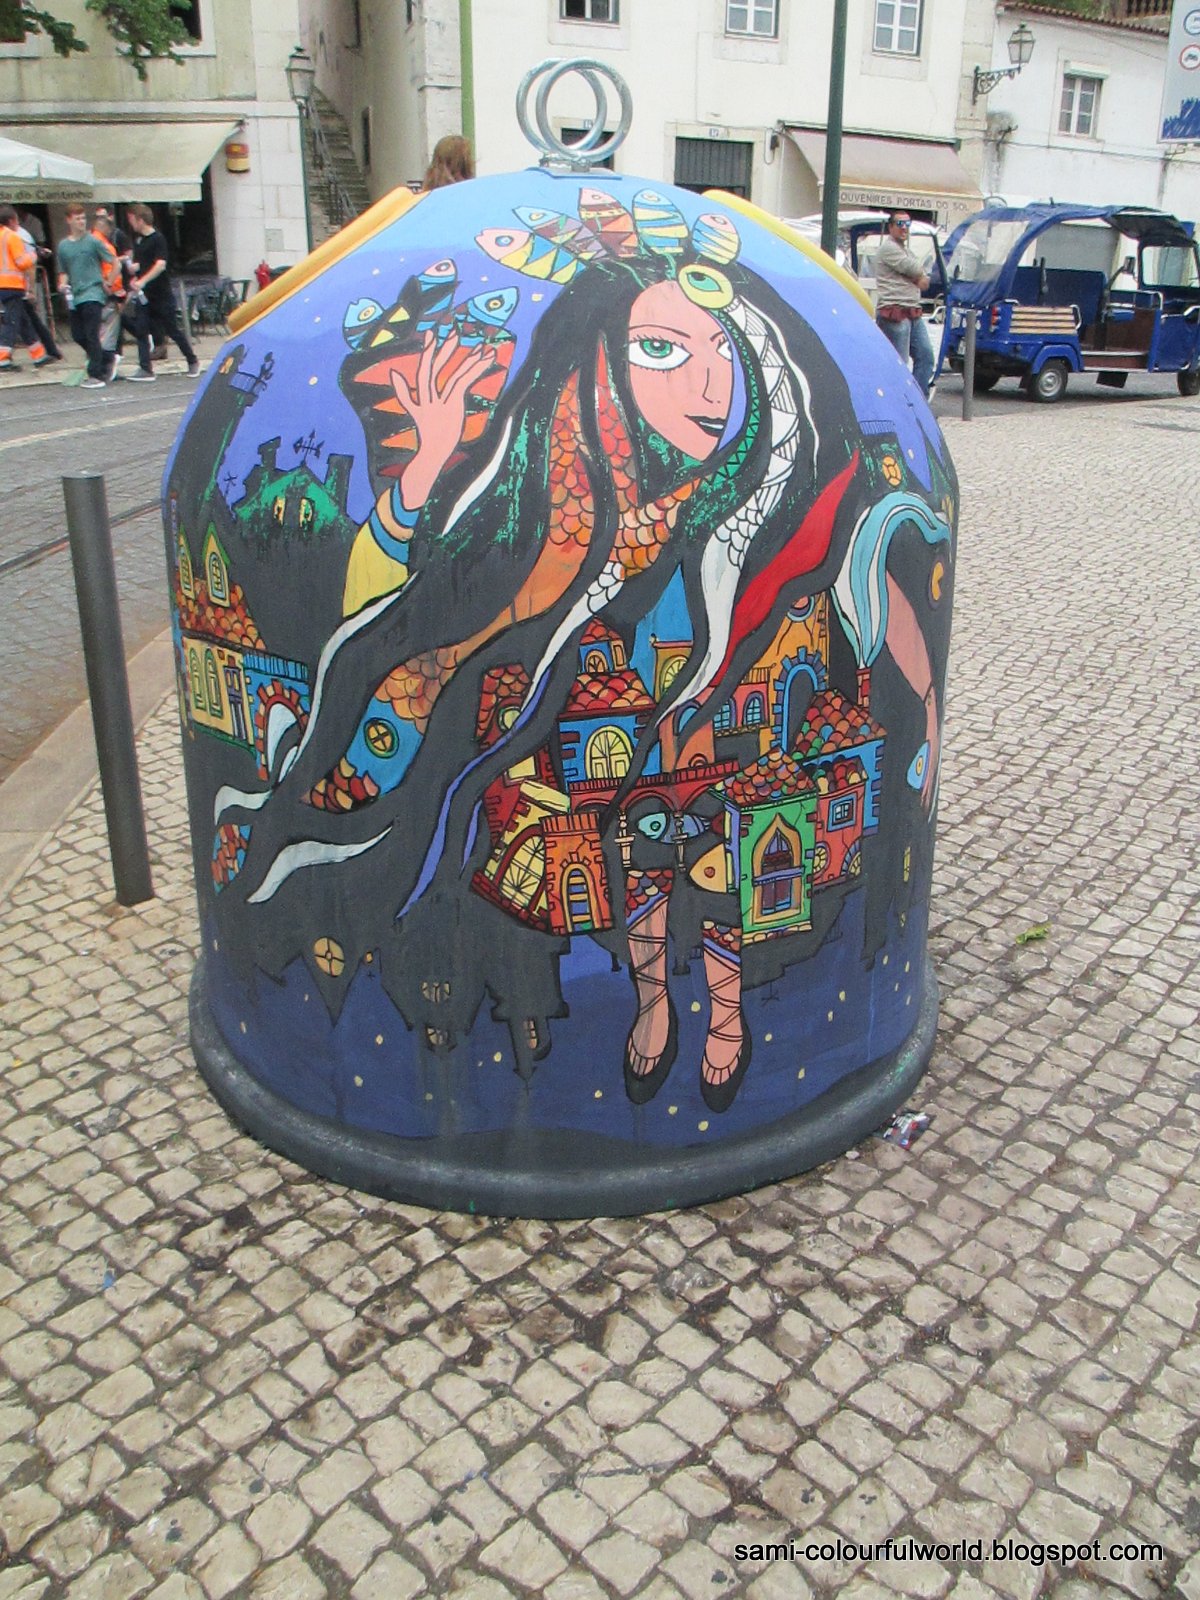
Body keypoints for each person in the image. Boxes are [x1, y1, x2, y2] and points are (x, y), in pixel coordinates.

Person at [209, 186, 950, 1111]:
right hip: (598, 760)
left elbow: (868, 566)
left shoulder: (777, 508)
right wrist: (427, 470)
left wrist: (918, 704)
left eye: (725, 354)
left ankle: (723, 1018)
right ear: (601, 367)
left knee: (721, 883)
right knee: (641, 870)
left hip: (719, 747)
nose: (706, 390)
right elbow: (402, 613)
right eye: (660, 353)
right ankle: (650, 1008)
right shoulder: (555, 517)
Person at [124, 203, 200, 378]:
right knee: (142, 329)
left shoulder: (158, 239)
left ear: (140, 220)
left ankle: (192, 359)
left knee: (172, 330)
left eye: (132, 220)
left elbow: (160, 265)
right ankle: (145, 367)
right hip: (145, 297)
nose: (131, 225)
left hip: (161, 295)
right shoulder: (139, 241)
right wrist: (135, 270)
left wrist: (142, 280)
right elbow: (144, 263)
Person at [56, 201, 118, 387]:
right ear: (69, 221)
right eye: (77, 219)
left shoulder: (93, 241)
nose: (81, 222)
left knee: (91, 333)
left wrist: (108, 281)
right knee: (78, 335)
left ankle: (96, 374)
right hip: (76, 295)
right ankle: (107, 357)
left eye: (83, 218)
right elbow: (64, 270)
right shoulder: (64, 246)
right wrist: (62, 284)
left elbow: (115, 261)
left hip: (93, 293)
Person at [875, 211, 934, 398]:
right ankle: (897, 402)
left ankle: (917, 401)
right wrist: (917, 275)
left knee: (925, 356)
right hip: (894, 312)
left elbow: (923, 280)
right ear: (890, 226)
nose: (904, 228)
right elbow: (915, 269)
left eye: (908, 224)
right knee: (899, 365)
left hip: (912, 311)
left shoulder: (907, 251)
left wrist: (917, 275)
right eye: (899, 223)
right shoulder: (888, 248)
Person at [0, 206, 50, 371]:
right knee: (12, 322)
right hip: (12, 284)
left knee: (22, 321)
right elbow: (21, 262)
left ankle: (39, 355)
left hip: (3, 286)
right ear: (12, 221)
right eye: (17, 220)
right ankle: (3, 358)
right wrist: (35, 255)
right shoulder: (12, 237)